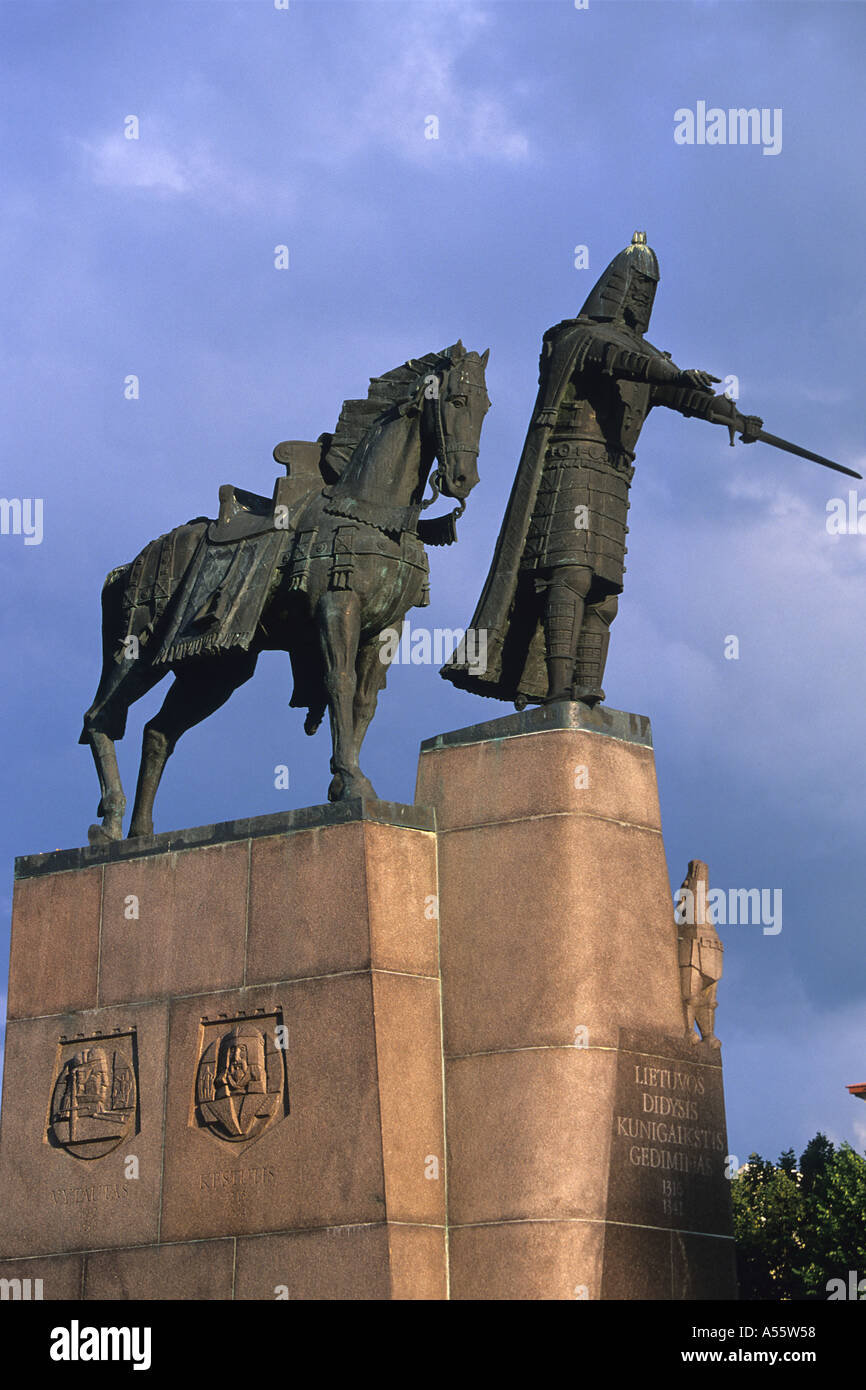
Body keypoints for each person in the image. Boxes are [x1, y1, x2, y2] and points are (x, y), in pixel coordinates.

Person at [442, 231, 761, 707]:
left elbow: (682, 395)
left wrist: (730, 414)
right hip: (569, 467)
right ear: (616, 286)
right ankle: (557, 690)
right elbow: (619, 361)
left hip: (613, 479)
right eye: (636, 288)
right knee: (570, 577)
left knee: (604, 597)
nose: (640, 299)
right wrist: (672, 374)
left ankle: (587, 687)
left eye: (648, 293)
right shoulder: (577, 337)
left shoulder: (653, 357)